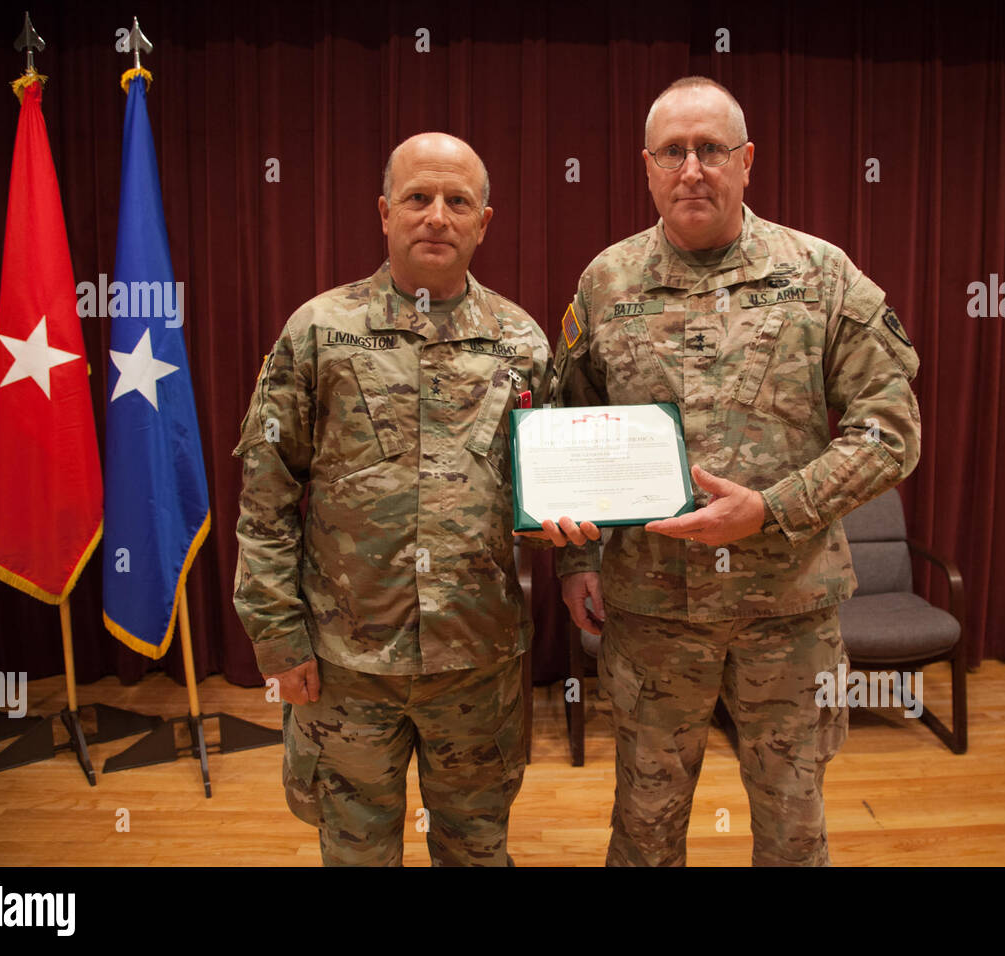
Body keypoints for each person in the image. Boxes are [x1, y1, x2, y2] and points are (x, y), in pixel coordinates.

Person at [543, 77, 922, 866]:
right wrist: (577, 562)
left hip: (785, 613)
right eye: (673, 152)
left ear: (746, 161)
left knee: (793, 832)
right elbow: (566, 433)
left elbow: (891, 432)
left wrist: (775, 507)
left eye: (710, 150)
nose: (692, 169)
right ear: (646, 168)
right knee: (643, 831)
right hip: (651, 616)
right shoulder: (606, 283)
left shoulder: (821, 276)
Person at [233, 132, 551, 866]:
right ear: (384, 212)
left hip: (478, 661)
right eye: (418, 198)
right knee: (355, 855)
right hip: (346, 669)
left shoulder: (523, 343)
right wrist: (277, 638)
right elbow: (266, 499)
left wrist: (572, 546)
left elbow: (550, 491)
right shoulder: (318, 332)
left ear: (483, 221)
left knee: (477, 851)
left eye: (457, 202)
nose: (437, 216)